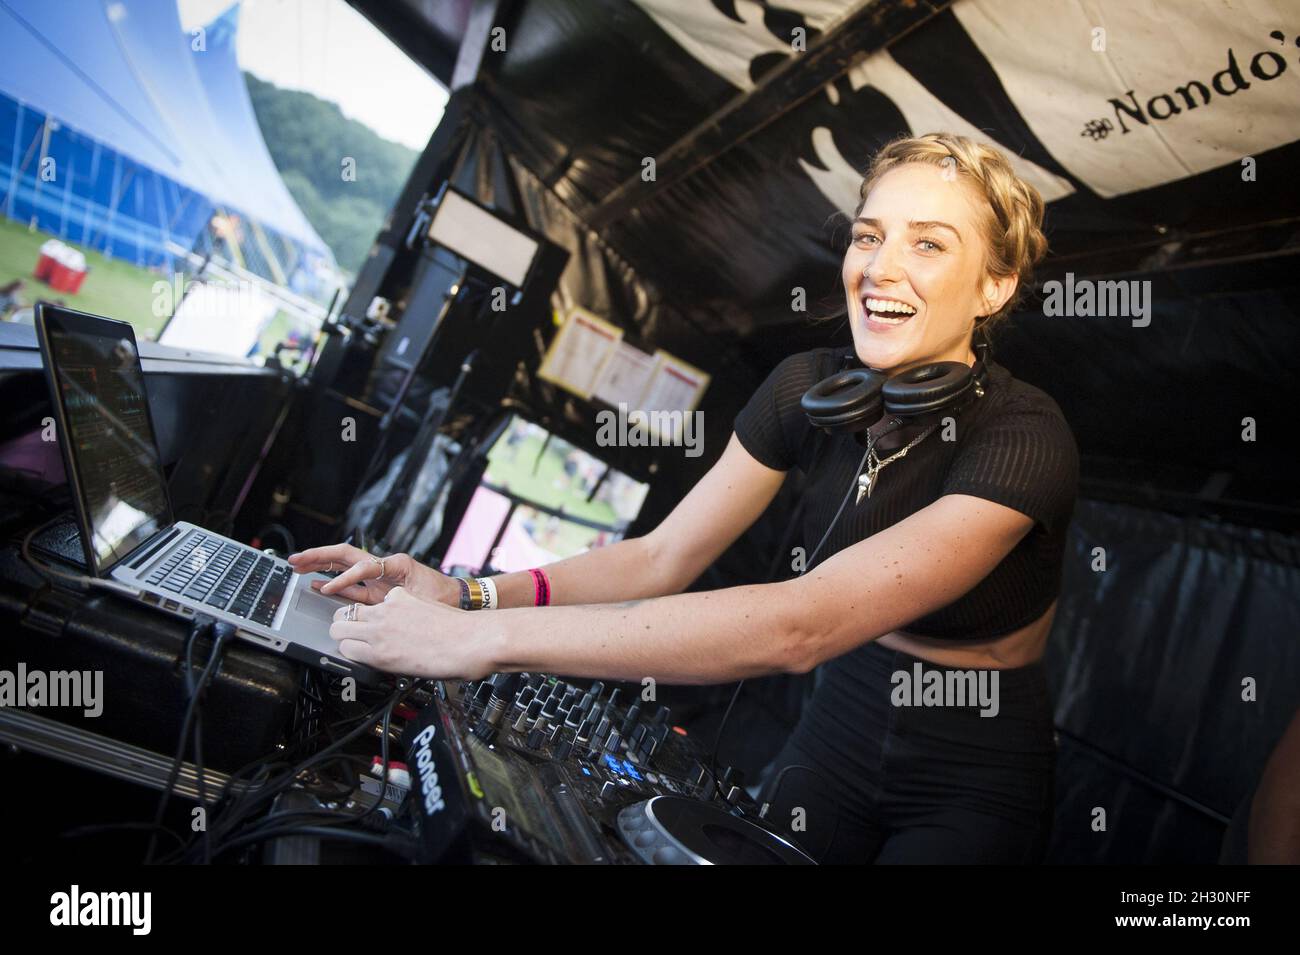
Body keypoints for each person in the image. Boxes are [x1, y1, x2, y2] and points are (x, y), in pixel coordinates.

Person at [288, 132, 1079, 864]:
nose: (880, 267)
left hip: (973, 748)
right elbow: (662, 554)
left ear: (995, 285)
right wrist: (466, 597)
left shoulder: (1023, 436)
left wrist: (481, 643)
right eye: (869, 235)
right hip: (843, 714)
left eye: (930, 244)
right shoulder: (807, 388)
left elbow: (799, 625)